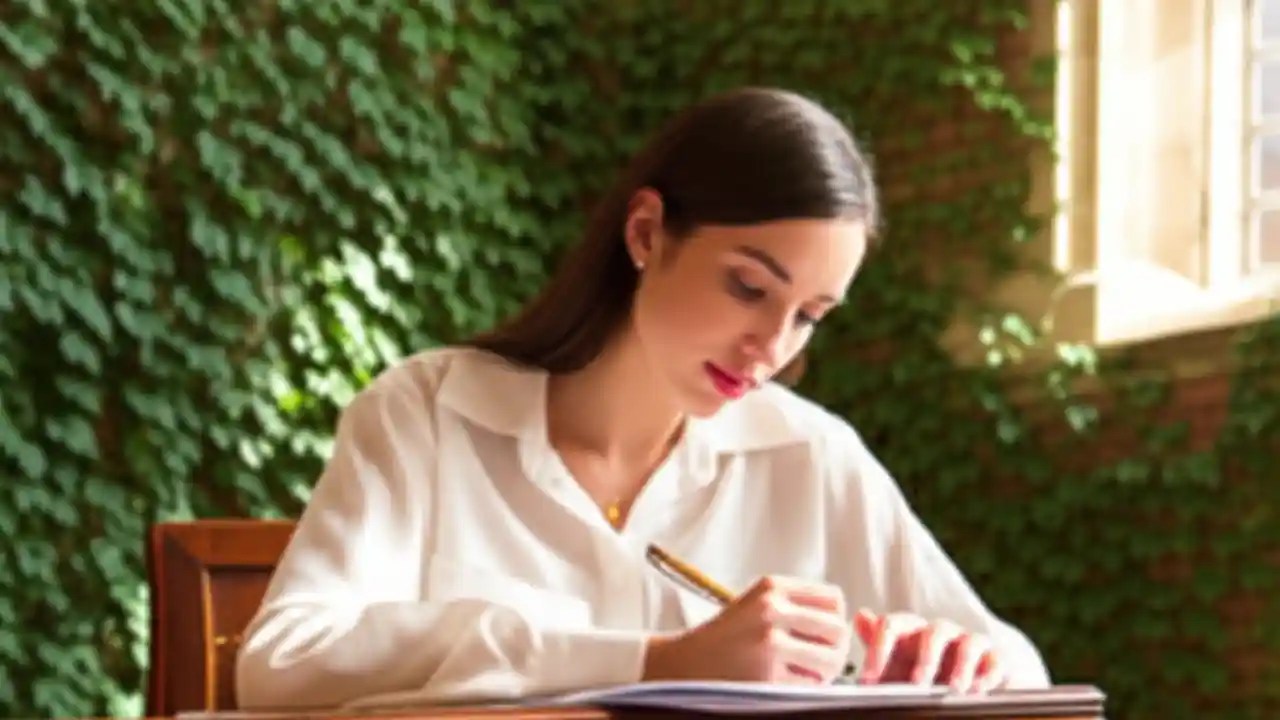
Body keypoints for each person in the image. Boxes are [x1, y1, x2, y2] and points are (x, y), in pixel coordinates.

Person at [234, 86, 1051, 711]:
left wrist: (960, 657)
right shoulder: (427, 413)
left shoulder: (812, 455)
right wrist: (654, 661)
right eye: (748, 287)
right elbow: (281, 664)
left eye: (809, 315)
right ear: (646, 234)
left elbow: (1023, 671)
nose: (773, 346)